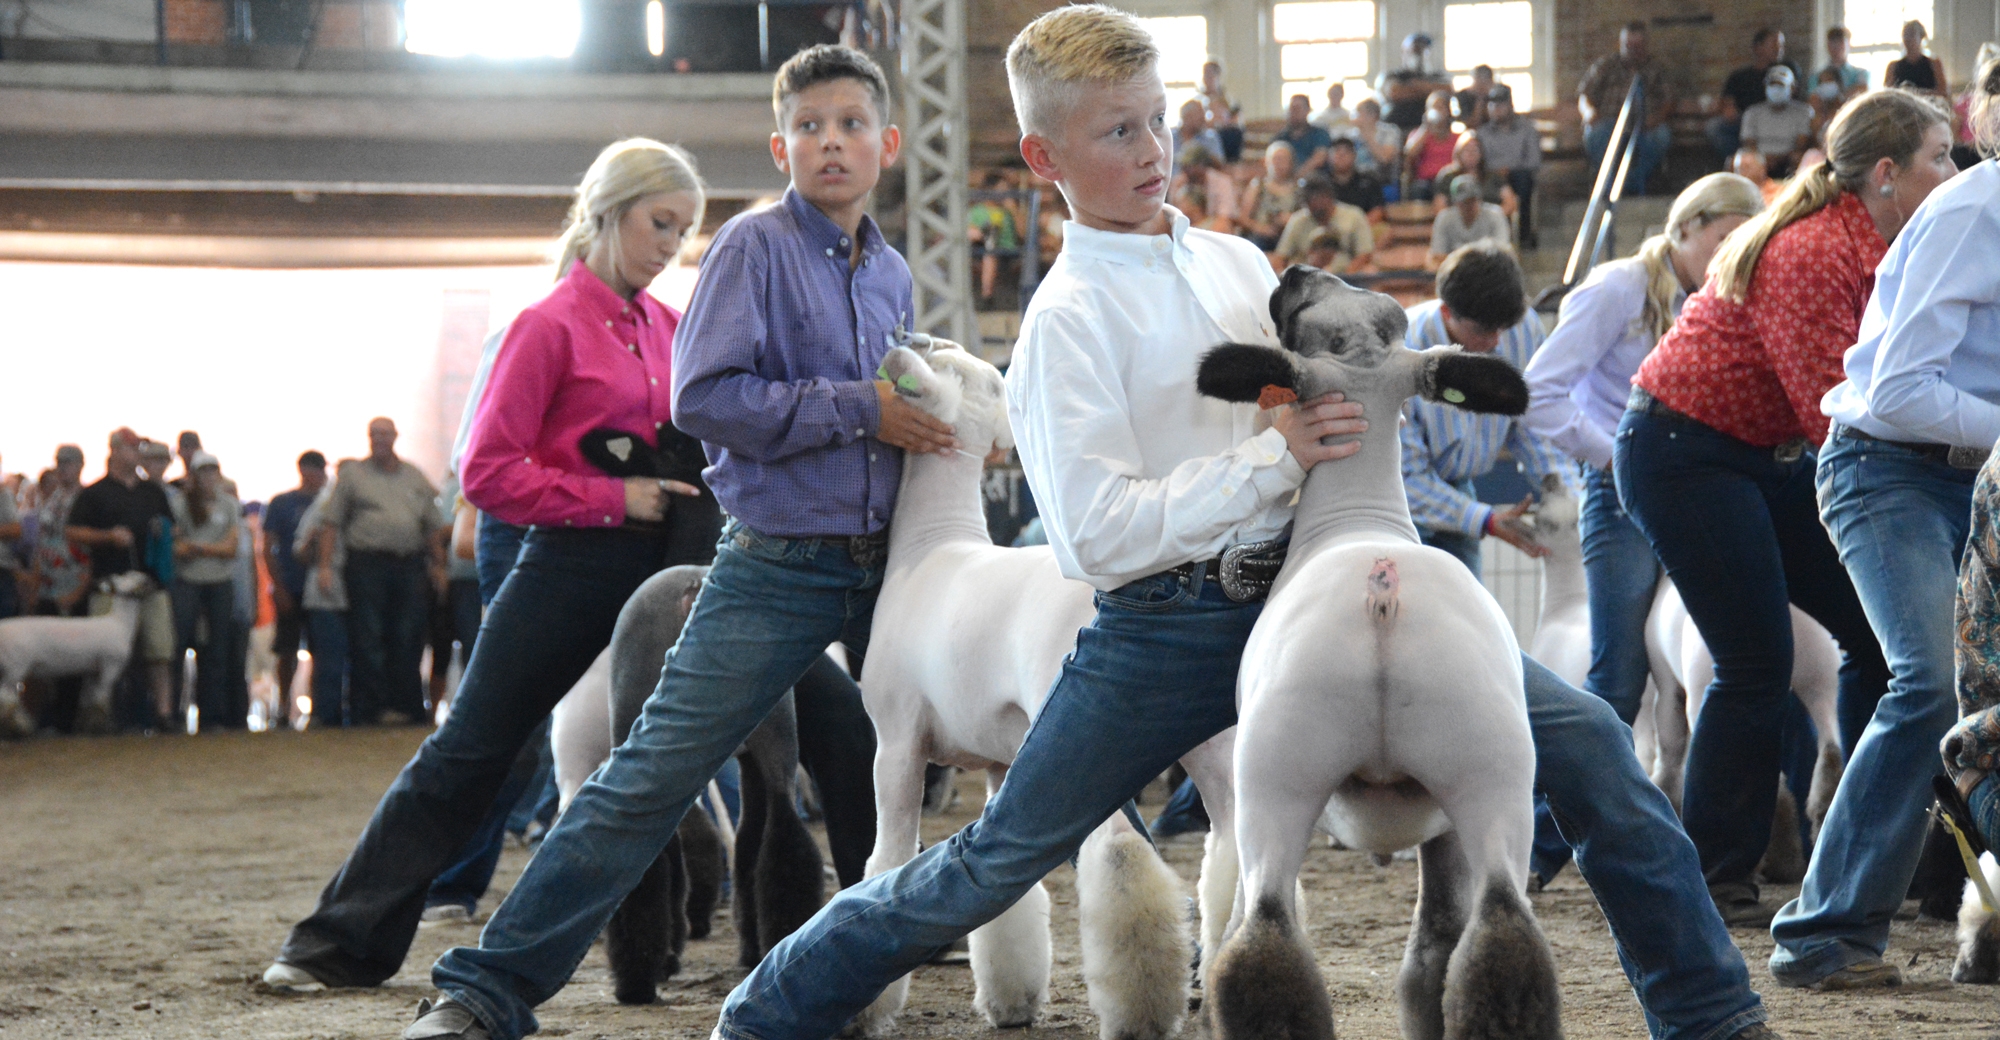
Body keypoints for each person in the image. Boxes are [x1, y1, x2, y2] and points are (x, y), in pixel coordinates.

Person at [709, 12, 1779, 1040]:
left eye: (1157, 119)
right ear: (1043, 154)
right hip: (1157, 627)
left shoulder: (1233, 263)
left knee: (1592, 743)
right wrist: (1271, 456)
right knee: (994, 855)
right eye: (1115, 131)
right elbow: (1092, 538)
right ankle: (768, 1006)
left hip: (1296, 590)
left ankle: (1709, 1013)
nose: (1151, 149)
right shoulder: (1064, 321)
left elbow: (1321, 393)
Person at [341, 48, 915, 1038]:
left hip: (884, 561)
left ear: (887, 144)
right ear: (781, 147)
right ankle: (483, 991)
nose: (832, 140)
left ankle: (888, 940)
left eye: (852, 123)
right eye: (810, 125)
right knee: (641, 775)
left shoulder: (893, 275)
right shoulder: (748, 250)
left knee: (892, 752)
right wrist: (857, 406)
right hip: (773, 563)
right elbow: (705, 400)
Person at [262, 131, 719, 992]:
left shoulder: (668, 327)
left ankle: (677, 936)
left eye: (684, 233)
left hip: (665, 564)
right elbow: (486, 473)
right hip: (571, 561)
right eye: (661, 225)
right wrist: (615, 499)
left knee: (674, 748)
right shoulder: (545, 326)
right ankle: (331, 945)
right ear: (610, 212)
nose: (671, 249)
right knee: (477, 747)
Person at [1613, 89, 1954, 932]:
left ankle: (1874, 855)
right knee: (1756, 656)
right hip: (1684, 452)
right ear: (1885, 174)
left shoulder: (1882, 241)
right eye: (1939, 157)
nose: (1954, 172)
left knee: (1888, 642)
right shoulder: (1810, 252)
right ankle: (1719, 873)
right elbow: (1830, 408)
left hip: (1766, 455)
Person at [1770, 60, 1995, 990]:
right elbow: (1899, 389)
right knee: (1930, 686)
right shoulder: (1975, 210)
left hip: (1977, 479)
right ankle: (1822, 934)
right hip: (1887, 469)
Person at [1522, 172, 1766, 883]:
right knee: (1619, 680)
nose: (1731, 255)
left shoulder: (1722, 293)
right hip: (1624, 493)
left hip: (1705, 488)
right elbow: (1540, 389)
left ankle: (1719, 846)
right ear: (1687, 225)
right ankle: (1537, 851)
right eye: (1724, 239)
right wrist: (1617, 454)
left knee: (1729, 663)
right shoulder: (1617, 288)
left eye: (1743, 244)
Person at [1399, 244, 1571, 574]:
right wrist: (1486, 520)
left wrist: (1562, 492)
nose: (1495, 341)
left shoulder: (1522, 329)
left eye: (1503, 328)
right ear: (1446, 312)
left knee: (1468, 617)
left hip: (1460, 485)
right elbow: (1405, 477)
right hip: (1399, 501)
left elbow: (1531, 423)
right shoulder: (1404, 349)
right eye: (1482, 330)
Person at [315, 418, 443, 726]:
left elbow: (432, 527)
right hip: (366, 564)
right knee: (367, 635)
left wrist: (439, 564)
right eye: (374, 434)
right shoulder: (352, 475)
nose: (379, 439)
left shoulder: (414, 476)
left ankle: (406, 707)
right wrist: (324, 566)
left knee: (408, 636)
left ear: (395, 437)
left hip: (409, 565)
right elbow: (331, 523)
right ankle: (368, 710)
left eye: (384, 434)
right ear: (369, 438)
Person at [63, 428, 177, 730]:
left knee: (159, 649)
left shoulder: (152, 492)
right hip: (110, 585)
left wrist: (161, 534)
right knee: (101, 653)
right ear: (114, 451)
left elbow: (172, 529)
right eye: (132, 448)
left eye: (139, 448)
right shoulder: (94, 493)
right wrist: (107, 536)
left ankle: (164, 714)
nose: (137, 453)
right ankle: (100, 712)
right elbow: (73, 531)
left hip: (150, 583)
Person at [170, 450, 245, 731]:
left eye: (212, 471)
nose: (208, 477)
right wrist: (212, 549)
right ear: (194, 475)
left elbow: (232, 549)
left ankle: (212, 716)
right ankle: (174, 714)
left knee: (217, 649)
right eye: (203, 471)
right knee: (178, 646)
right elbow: (176, 548)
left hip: (218, 582)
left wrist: (198, 547)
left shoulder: (229, 504)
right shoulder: (180, 505)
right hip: (187, 582)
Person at [265, 451, 328, 721]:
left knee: (320, 649)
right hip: (290, 585)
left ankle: (316, 705)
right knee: (286, 649)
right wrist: (278, 586)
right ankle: (282, 704)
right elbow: (268, 547)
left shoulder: (328, 503)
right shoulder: (282, 503)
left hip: (319, 588)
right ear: (301, 470)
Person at [1579, 21, 1675, 194]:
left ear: (1645, 46)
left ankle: (1630, 184)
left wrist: (1656, 118)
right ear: (1621, 44)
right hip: (1609, 123)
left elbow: (1668, 101)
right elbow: (1585, 95)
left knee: (1661, 136)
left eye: (1637, 47)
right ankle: (1610, 183)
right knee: (1596, 135)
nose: (1632, 51)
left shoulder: (1657, 69)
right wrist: (1589, 112)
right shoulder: (1605, 66)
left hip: (1645, 124)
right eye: (1628, 46)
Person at [1712, 28, 1803, 161]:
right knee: (1715, 127)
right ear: (1758, 48)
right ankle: (1740, 162)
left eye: (1781, 45)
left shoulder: (1788, 70)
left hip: (1781, 116)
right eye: (1774, 44)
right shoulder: (1739, 77)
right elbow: (1727, 103)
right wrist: (1729, 110)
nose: (1779, 49)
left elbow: (1795, 96)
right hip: (1747, 120)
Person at [1479, 83, 1542, 248]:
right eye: (1492, 105)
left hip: (1518, 175)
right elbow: (1479, 161)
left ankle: (1524, 235)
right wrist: (1496, 171)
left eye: (1500, 104)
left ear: (1510, 105)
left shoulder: (1527, 129)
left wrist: (1510, 168)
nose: (1496, 109)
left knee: (1524, 181)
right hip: (1491, 177)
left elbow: (1534, 161)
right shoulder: (1483, 133)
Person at [1274, 175, 1373, 274]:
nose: (1307, 204)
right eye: (1305, 200)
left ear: (1327, 196)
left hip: (1344, 276)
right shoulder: (1298, 220)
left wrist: (1344, 276)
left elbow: (1364, 254)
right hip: (1306, 278)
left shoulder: (1353, 216)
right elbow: (1281, 256)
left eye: (1311, 198)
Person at [1740, 65, 1815, 177]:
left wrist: (1779, 158)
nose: (1776, 89)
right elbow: (1749, 142)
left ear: (1793, 88)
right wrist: (1762, 158)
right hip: (1759, 156)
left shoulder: (1804, 111)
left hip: (1788, 158)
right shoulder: (1752, 112)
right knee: (1737, 161)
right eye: (1772, 85)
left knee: (1799, 158)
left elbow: (1801, 143)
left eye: (1781, 85)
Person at [1427, 176, 1512, 270]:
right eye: (1464, 202)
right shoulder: (1444, 218)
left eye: (1473, 200)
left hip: (1488, 271)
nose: (1469, 206)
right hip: (1454, 271)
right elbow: (1438, 254)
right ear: (1455, 202)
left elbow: (1502, 252)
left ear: (1480, 199)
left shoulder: (1495, 215)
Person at [1378, 31, 1450, 136]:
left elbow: (1447, 91)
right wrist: (1428, 90)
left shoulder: (1437, 76)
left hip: (1430, 132)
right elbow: (1395, 92)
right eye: (1414, 50)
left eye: (1422, 50)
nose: (1419, 54)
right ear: (1404, 52)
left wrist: (1415, 86)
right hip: (1398, 130)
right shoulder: (1392, 75)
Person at [968, 170, 1022, 302]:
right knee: (989, 250)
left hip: (1006, 252)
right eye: (1001, 189)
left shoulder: (1009, 211)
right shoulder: (977, 211)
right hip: (980, 249)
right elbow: (969, 230)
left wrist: (1013, 210)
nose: (1005, 193)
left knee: (991, 252)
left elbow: (1023, 234)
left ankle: (987, 296)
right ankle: (986, 296)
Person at [1432, 133, 1515, 217]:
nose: (1471, 154)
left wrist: (1492, 218)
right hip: (1457, 225)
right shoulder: (1447, 177)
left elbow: (1510, 202)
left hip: (1490, 224)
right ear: (1459, 152)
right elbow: (1440, 207)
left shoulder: (1494, 177)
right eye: (1467, 150)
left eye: (1475, 150)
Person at [1240, 140, 1300, 252]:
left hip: (1289, 236)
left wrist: (1291, 219)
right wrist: (1261, 228)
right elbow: (1244, 219)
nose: (1279, 164)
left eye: (1283, 159)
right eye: (1276, 159)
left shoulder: (1299, 188)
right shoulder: (1258, 185)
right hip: (1260, 236)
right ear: (1266, 162)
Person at [1403, 89, 1459, 200]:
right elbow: (1409, 153)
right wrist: (1425, 128)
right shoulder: (1418, 134)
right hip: (1426, 182)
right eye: (1432, 107)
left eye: (1440, 107)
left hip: (1450, 180)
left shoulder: (1457, 137)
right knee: (1418, 189)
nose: (1436, 111)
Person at [1342, 96, 1404, 185]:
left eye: (1359, 113)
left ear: (1372, 115)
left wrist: (1366, 133)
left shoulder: (1390, 131)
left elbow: (1384, 159)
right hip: (1354, 181)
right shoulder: (1350, 135)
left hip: (1382, 180)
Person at [1324, 136, 1383, 221]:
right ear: (1329, 157)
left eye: (1346, 152)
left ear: (1354, 156)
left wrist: (1357, 227)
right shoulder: (1320, 183)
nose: (1341, 156)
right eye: (1337, 151)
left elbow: (1377, 210)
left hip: (1363, 227)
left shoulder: (1369, 181)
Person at [1273, 92, 1334, 175]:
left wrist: (1296, 178)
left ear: (1307, 110)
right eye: (1291, 109)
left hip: (1315, 180)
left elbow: (1319, 158)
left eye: (1297, 108)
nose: (1293, 112)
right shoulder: (1280, 138)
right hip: (1285, 181)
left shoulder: (1320, 133)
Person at [1884, 19, 1948, 96]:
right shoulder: (1893, 66)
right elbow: (1887, 94)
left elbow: (1943, 92)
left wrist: (1916, 93)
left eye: (1911, 35)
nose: (1908, 39)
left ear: (1921, 37)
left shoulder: (1934, 64)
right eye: (1905, 35)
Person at [1196, 58, 1243, 162]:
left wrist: (1219, 123)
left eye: (1210, 75)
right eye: (1205, 75)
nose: (1206, 79)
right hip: (1204, 137)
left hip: (1224, 136)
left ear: (1218, 77)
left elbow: (1237, 122)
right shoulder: (1198, 101)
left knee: (1233, 134)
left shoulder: (1230, 102)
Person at [1818, 26, 1869, 99]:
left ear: (1849, 44)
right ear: (1827, 45)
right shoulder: (1817, 76)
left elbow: (1863, 94)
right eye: (1833, 42)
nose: (1836, 47)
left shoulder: (1860, 74)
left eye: (1840, 42)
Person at [1453, 64, 1495, 131]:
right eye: (1479, 80)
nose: (1482, 86)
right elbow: (1469, 125)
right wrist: (1480, 100)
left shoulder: (1496, 96)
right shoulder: (1462, 96)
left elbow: (1499, 121)